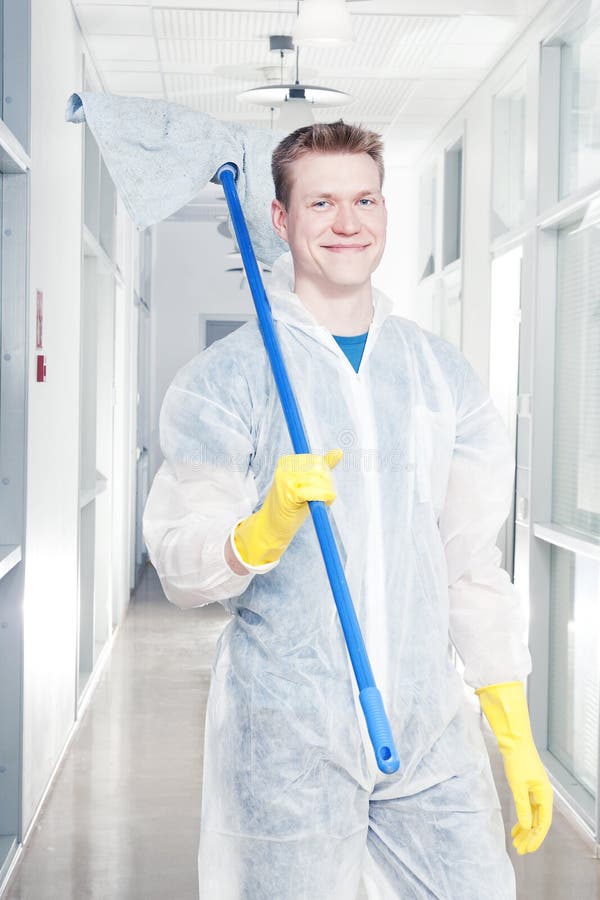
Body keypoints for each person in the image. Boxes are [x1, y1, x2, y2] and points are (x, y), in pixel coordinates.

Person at [143, 121, 552, 900]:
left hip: (429, 732)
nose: (347, 223)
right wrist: (260, 528)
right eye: (322, 202)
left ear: (386, 213)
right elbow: (182, 566)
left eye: (365, 199)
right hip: (290, 739)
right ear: (280, 218)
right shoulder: (228, 379)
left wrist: (513, 730)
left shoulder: (439, 376)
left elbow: (466, 564)